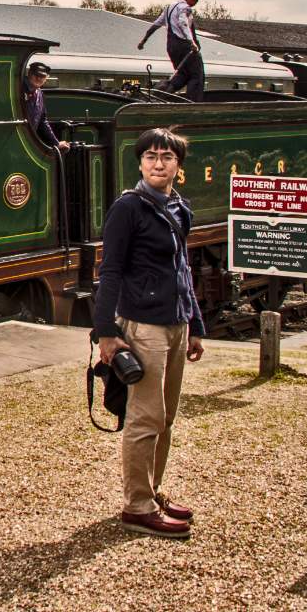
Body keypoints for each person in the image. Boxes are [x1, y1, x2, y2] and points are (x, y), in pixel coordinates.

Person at [93, 127, 205, 538]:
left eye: (167, 157)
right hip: (143, 325)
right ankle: (136, 505)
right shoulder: (128, 208)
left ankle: (152, 490)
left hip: (176, 323)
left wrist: (195, 325)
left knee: (168, 416)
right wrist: (105, 332)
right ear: (140, 163)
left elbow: (182, 270)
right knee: (146, 417)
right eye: (151, 157)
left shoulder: (179, 208)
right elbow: (110, 271)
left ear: (179, 165)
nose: (159, 164)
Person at [139, 0, 205, 100]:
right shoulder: (185, 8)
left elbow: (156, 24)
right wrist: (192, 42)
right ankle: (194, 104)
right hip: (185, 46)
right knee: (197, 75)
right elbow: (183, 24)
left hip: (172, 47)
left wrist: (144, 40)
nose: (197, 1)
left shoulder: (169, 7)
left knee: (183, 75)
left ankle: (160, 96)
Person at [23, 61, 69, 153]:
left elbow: (43, 121)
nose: (39, 78)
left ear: (46, 79)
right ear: (29, 74)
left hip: (29, 140)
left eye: (42, 77)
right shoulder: (19, 89)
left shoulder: (40, 94)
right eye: (36, 75)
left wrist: (56, 143)